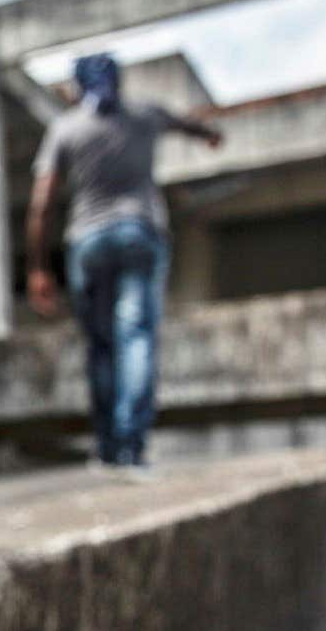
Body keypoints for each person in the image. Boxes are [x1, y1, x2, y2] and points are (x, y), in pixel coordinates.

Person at [25, 52, 223, 474]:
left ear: (78, 88)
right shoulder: (144, 115)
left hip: (89, 239)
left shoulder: (67, 129)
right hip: (140, 230)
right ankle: (131, 447)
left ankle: (108, 448)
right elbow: (189, 125)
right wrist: (210, 134)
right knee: (135, 337)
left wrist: (39, 266)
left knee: (101, 346)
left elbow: (42, 204)